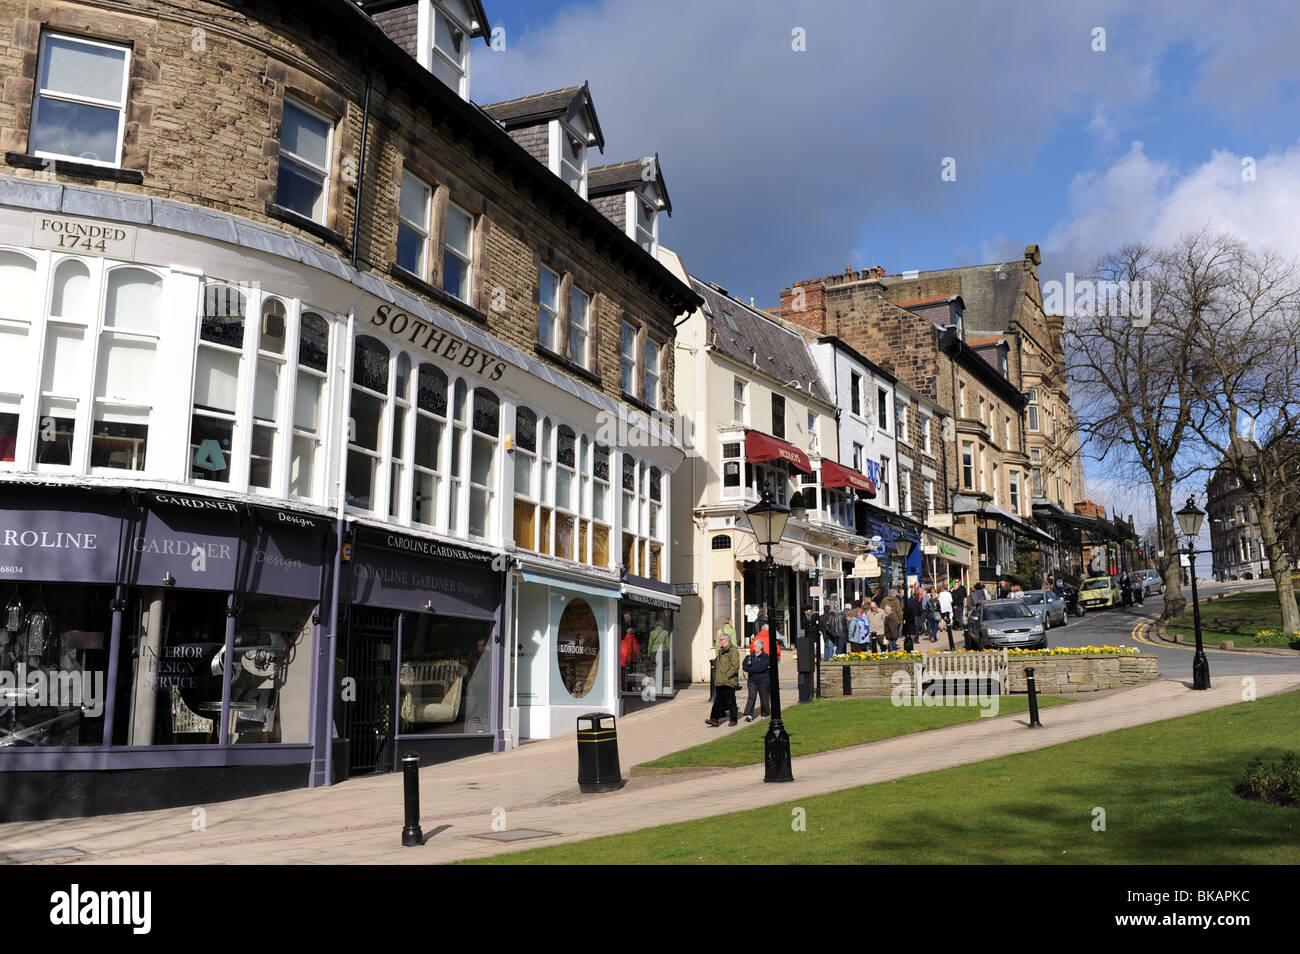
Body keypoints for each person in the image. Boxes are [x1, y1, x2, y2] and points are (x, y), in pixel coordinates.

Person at [706, 632, 739, 726]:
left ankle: (733, 719)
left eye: (720, 640)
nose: (719, 641)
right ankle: (714, 719)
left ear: (726, 640)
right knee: (717, 701)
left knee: (731, 701)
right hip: (720, 681)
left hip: (729, 681)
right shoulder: (721, 651)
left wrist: (727, 676)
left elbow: (735, 665)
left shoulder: (733, 650)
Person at [741, 641, 771, 722]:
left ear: (760, 647)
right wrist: (750, 668)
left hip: (763, 681)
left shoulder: (765, 656)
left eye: (756, 647)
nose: (754, 648)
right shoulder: (751, 656)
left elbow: (762, 668)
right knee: (751, 697)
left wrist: (751, 669)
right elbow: (744, 666)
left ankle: (765, 713)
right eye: (754, 646)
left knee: (764, 698)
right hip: (752, 681)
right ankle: (749, 715)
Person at [647, 617, 670, 696]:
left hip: (654, 651)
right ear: (662, 625)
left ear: (656, 625)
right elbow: (668, 644)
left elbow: (650, 644)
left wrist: (648, 654)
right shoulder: (665, 632)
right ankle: (661, 685)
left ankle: (656, 685)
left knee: (655, 668)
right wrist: (669, 654)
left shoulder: (652, 633)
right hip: (663, 651)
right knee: (662, 668)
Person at [938, 585, 954, 649]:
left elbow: (939, 600)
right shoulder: (949, 593)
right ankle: (948, 627)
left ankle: (941, 628)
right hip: (948, 607)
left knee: (942, 618)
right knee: (948, 618)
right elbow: (951, 601)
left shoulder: (941, 594)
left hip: (942, 607)